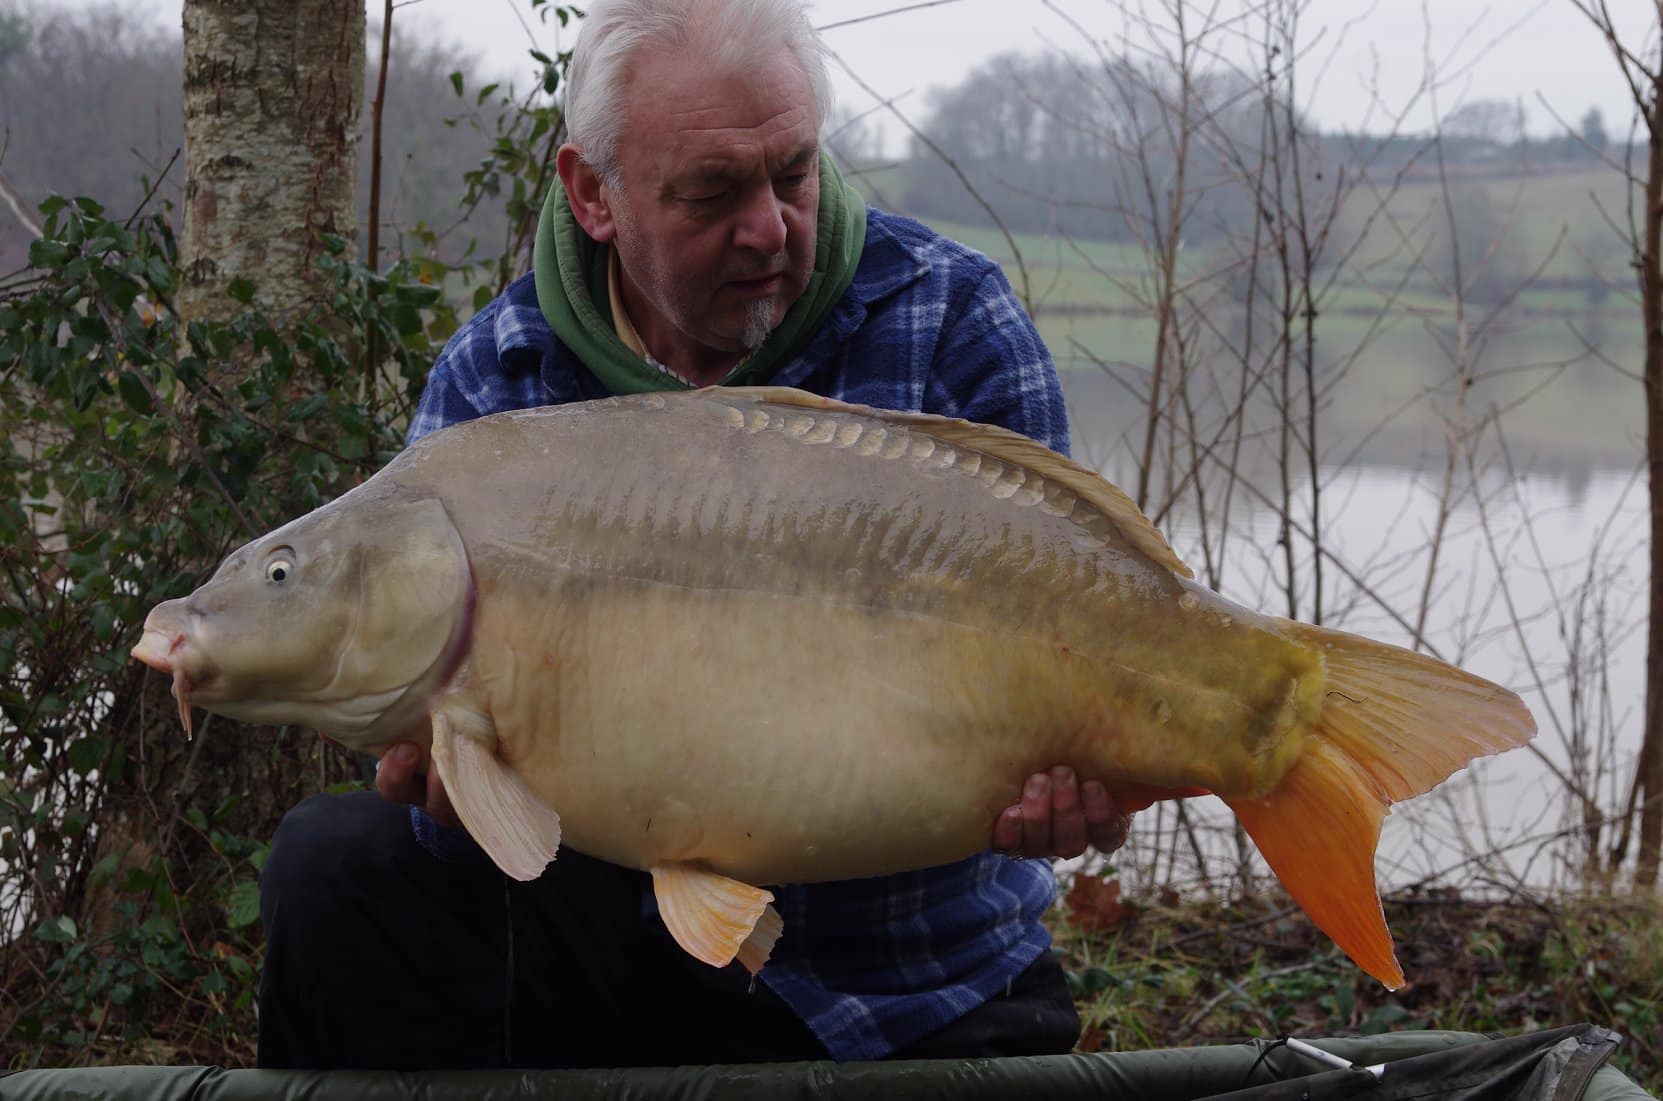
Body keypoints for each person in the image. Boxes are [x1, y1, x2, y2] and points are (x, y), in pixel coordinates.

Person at [256, 0, 1130, 1070]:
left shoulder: (951, 320)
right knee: (337, 866)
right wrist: (450, 775)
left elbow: (1079, 637)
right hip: (612, 953)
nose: (768, 228)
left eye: (793, 175)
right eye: (713, 193)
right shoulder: (500, 380)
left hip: (914, 975)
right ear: (593, 195)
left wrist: (1093, 772)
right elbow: (460, 800)